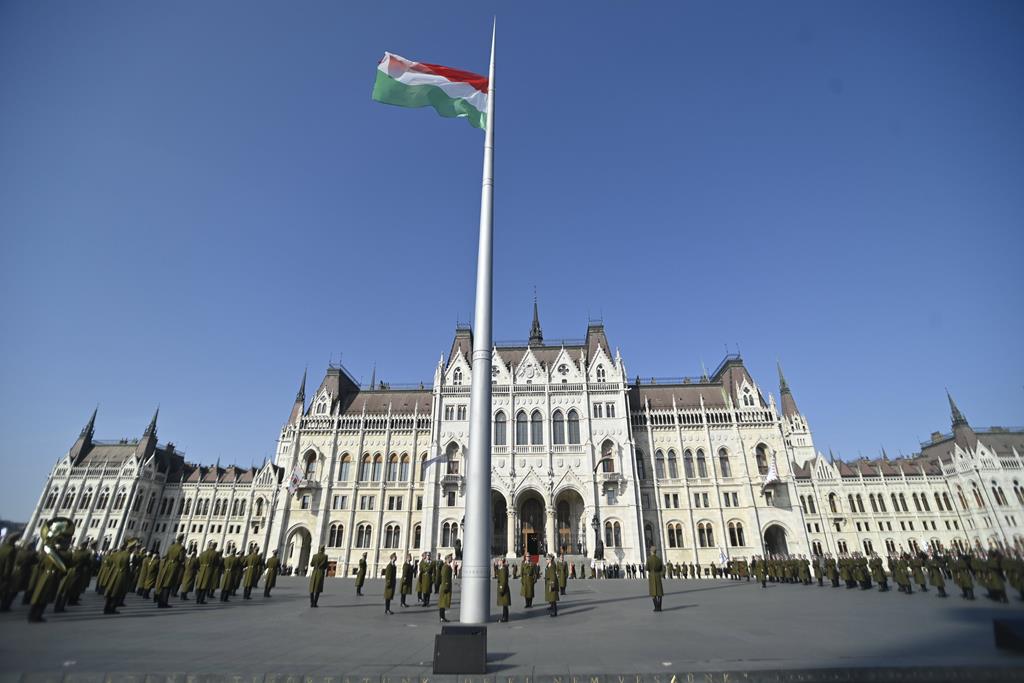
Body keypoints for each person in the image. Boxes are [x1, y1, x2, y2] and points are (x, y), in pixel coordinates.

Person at [27, 518, 75, 623]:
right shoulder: (60, 554)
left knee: (39, 595)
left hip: (44, 576)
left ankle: (32, 614)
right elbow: (68, 564)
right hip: (52, 577)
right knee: (44, 596)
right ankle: (36, 615)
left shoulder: (47, 553)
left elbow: (40, 564)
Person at [156, 534, 185, 608]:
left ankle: (160, 602)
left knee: (164, 583)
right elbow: (181, 559)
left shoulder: (171, 546)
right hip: (174, 566)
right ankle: (164, 602)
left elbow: (167, 555)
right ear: (182, 540)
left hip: (167, 565)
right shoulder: (181, 548)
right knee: (168, 585)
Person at [647, 546, 664, 612]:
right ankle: (659, 607)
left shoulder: (649, 559)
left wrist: (651, 570)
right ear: (656, 552)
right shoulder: (659, 559)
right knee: (659, 592)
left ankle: (656, 607)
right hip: (658, 576)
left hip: (652, 576)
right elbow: (661, 568)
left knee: (653, 592)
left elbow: (647, 568)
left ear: (651, 551)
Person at [438, 554, 453, 623]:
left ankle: (443, 617)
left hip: (446, 586)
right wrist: (446, 585)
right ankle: (442, 617)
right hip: (445, 586)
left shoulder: (448, 566)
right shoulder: (445, 567)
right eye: (450, 558)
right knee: (442, 602)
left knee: (444, 602)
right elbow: (444, 576)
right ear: (447, 559)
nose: (452, 559)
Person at [497, 557, 511, 622]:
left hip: (503, 589)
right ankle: (504, 617)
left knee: (505, 604)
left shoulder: (503, 570)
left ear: (501, 562)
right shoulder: (502, 569)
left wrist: (501, 589)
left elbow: (503, 581)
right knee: (504, 604)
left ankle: (505, 618)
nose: (498, 562)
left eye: (499, 561)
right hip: (504, 588)